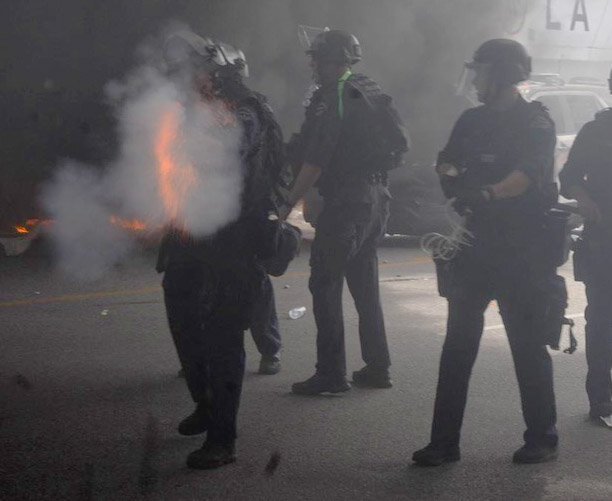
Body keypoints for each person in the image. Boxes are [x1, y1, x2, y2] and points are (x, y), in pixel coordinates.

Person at [412, 39, 561, 466]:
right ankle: (443, 442)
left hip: (521, 250)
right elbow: (447, 160)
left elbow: (526, 175)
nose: (475, 79)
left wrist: (489, 192)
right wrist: (452, 176)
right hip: (474, 247)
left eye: (481, 71)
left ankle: (541, 438)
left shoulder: (535, 122)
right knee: (457, 345)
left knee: (527, 346)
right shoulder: (471, 120)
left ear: (501, 74)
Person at [157, 31, 285, 469]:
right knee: (185, 326)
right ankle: (206, 406)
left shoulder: (245, 114)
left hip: (232, 241)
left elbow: (225, 152)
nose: (187, 79)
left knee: (223, 339)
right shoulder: (200, 110)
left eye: (196, 72)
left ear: (219, 74)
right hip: (191, 236)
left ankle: (222, 438)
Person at [281, 29, 408, 395]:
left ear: (333, 60)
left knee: (325, 284)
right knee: (365, 287)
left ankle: (331, 375)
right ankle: (378, 366)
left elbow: (316, 158)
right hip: (375, 198)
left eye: (316, 59)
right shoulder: (367, 89)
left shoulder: (332, 95)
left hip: (348, 202)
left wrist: (288, 200)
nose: (312, 65)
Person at [559, 67, 612, 428]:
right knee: (601, 320)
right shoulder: (596, 132)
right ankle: (601, 399)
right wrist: (584, 198)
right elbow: (568, 178)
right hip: (603, 239)